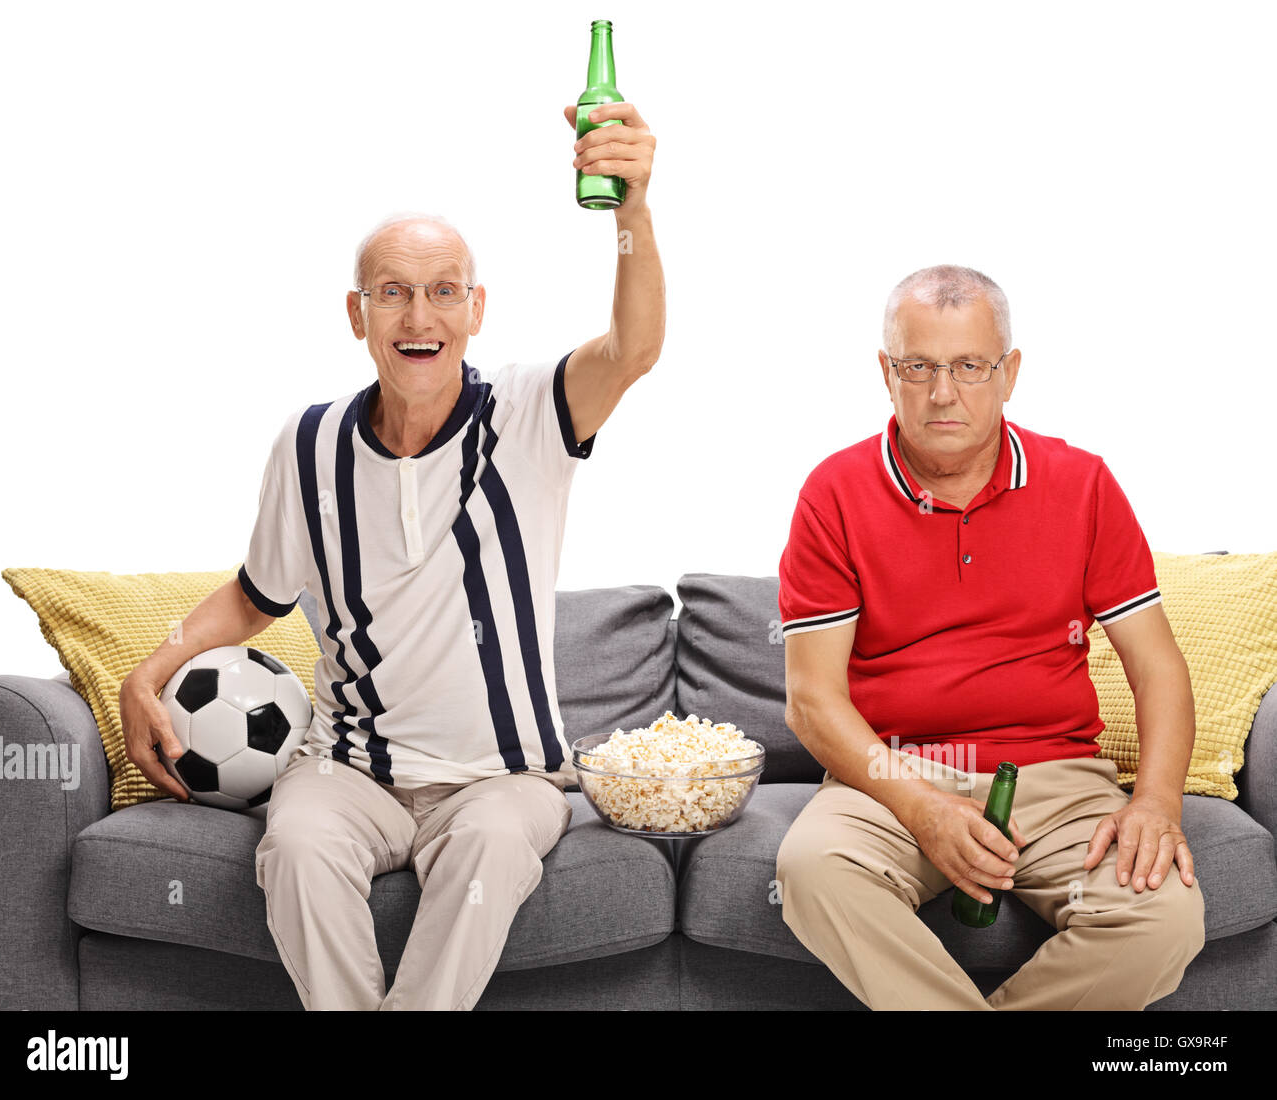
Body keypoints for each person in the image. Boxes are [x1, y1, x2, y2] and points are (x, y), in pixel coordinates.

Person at [119, 101, 663, 1010]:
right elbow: (255, 598)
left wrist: (632, 209)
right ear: (357, 312)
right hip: (349, 771)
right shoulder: (310, 443)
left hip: (505, 781)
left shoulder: (529, 414)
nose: (421, 314)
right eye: (394, 292)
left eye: (445, 290)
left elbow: (635, 347)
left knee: (490, 848)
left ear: (476, 308)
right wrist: (151, 671)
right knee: (292, 847)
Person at [774, 264, 1205, 1010]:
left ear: (1009, 373)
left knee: (1160, 916)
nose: (944, 393)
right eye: (920, 366)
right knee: (812, 870)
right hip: (892, 778)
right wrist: (921, 807)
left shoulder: (1083, 484)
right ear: (887, 372)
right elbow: (813, 702)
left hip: (1057, 783)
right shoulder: (833, 494)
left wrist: (1157, 803)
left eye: (970, 366)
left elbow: (1157, 666)